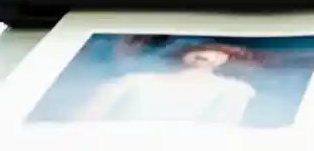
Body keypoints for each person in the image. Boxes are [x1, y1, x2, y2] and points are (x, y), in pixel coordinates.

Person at [75, 43, 257, 124]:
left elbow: (225, 126)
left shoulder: (234, 89)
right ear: (183, 54)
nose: (205, 54)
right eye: (198, 49)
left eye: (216, 52)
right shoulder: (136, 79)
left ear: (226, 60)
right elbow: (88, 115)